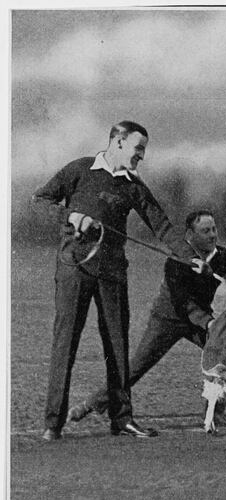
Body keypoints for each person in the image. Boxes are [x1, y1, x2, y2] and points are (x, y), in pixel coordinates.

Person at [33, 121, 205, 441]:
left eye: (144, 150)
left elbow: (163, 227)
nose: (142, 155)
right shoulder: (80, 169)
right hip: (73, 270)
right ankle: (52, 423)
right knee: (65, 344)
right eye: (138, 148)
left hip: (112, 275)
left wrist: (189, 257)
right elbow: (41, 200)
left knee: (117, 345)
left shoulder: (133, 186)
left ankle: (122, 419)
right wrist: (70, 217)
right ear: (118, 142)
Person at [67, 210, 226, 427]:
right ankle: (90, 404)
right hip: (167, 320)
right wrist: (208, 322)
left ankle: (215, 414)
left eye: (214, 229)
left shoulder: (223, 257)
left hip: (200, 319)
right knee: (137, 367)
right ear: (191, 234)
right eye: (205, 231)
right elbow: (182, 301)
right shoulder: (177, 260)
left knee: (224, 356)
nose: (212, 235)